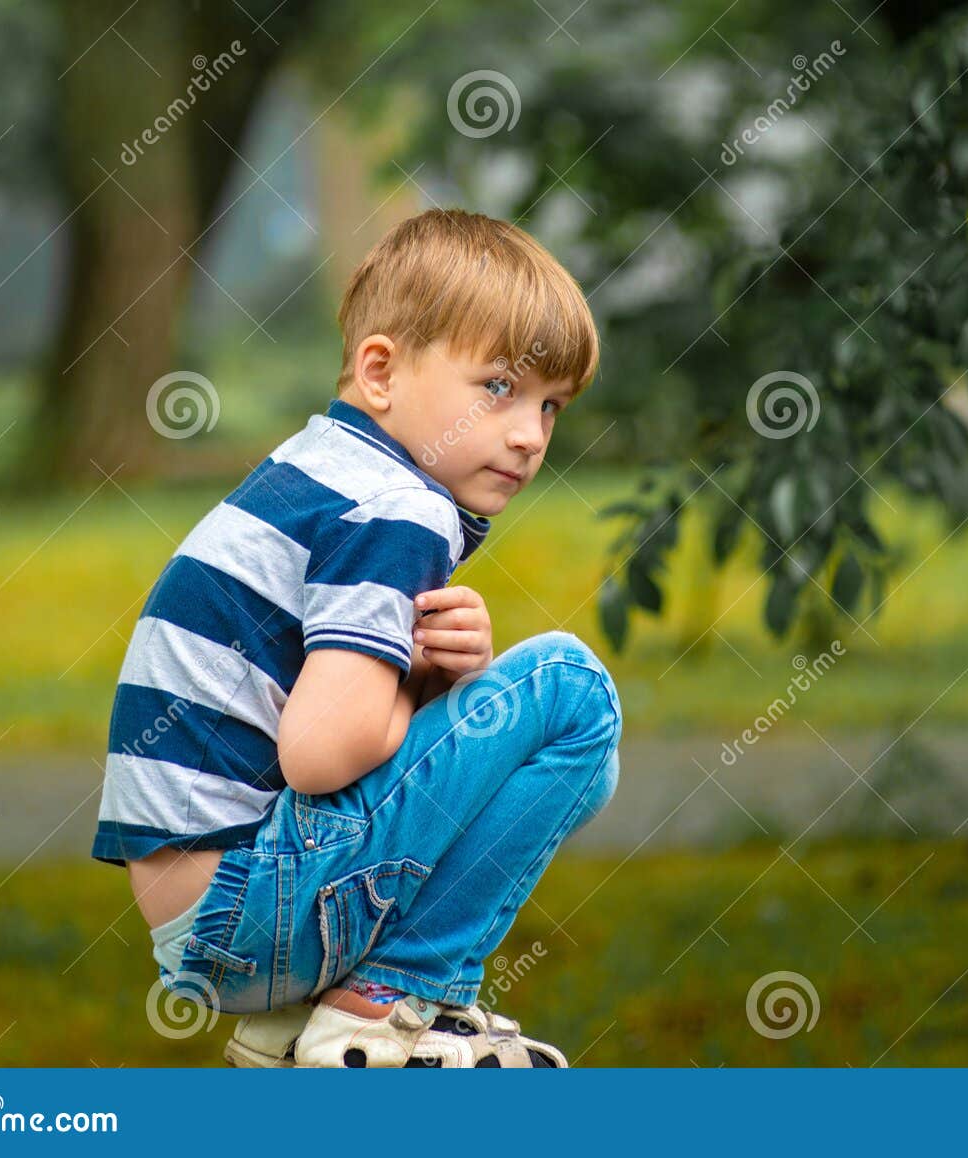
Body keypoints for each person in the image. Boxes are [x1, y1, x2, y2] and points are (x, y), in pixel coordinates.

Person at [91, 208, 622, 1068]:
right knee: (571, 691)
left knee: (572, 757)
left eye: (551, 405)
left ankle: (302, 1020)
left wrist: (432, 679)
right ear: (380, 371)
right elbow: (319, 755)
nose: (529, 434)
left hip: (202, 923)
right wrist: (414, 685)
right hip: (248, 903)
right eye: (499, 387)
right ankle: (387, 1003)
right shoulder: (395, 506)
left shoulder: (322, 474)